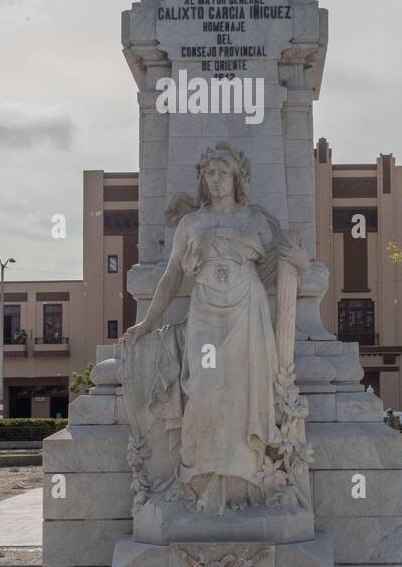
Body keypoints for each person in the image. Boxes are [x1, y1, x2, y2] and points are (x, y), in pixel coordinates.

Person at [124, 142, 307, 515]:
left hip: (248, 310)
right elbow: (171, 277)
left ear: (237, 177)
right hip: (206, 312)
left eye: (224, 172)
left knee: (244, 396)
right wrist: (147, 322)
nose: (217, 179)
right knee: (204, 391)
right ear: (202, 179)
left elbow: (282, 263)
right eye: (210, 172)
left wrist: (302, 262)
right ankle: (198, 479)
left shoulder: (255, 220)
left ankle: (245, 482)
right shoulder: (191, 224)